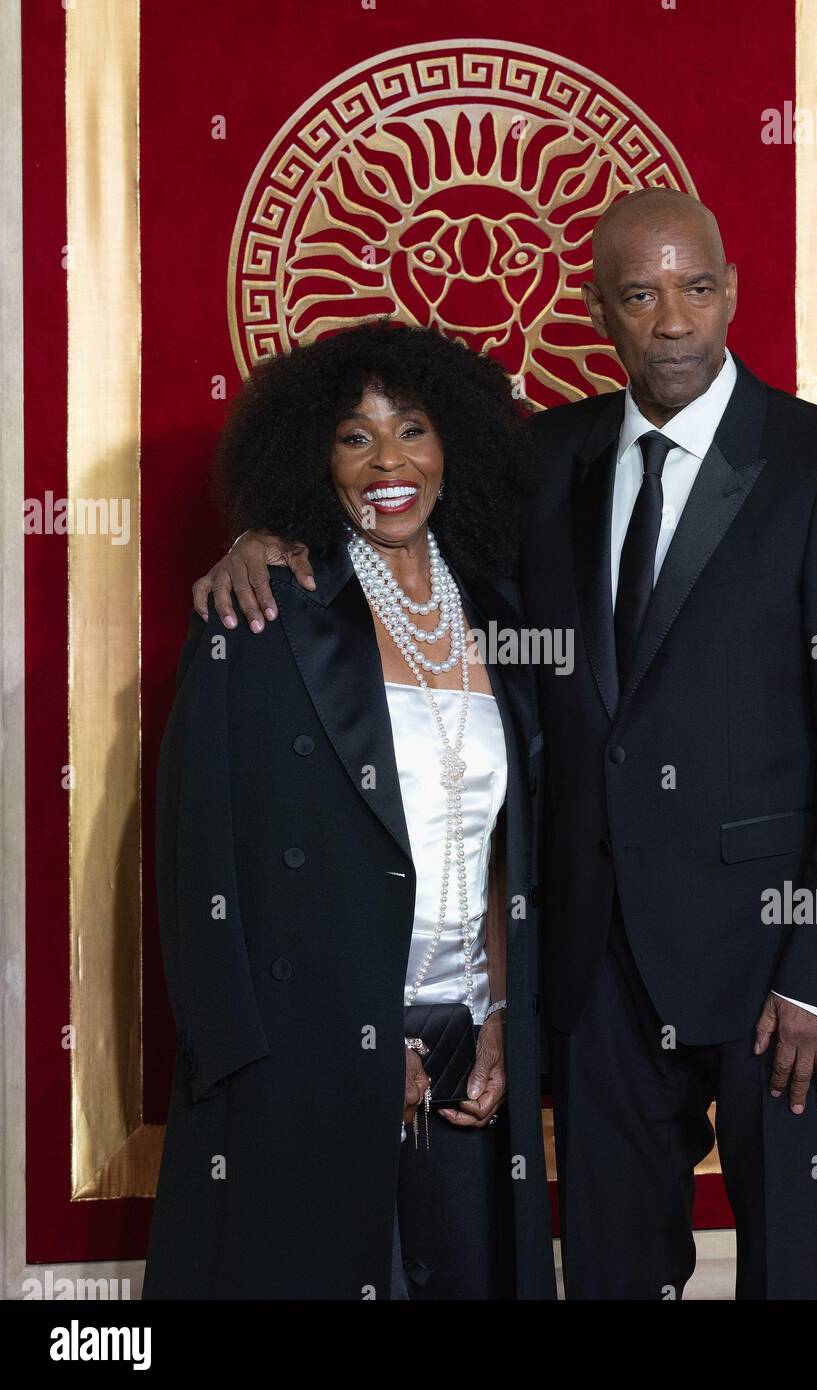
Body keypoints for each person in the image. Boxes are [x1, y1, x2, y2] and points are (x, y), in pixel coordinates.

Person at [192, 190, 817, 1300]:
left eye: (696, 287)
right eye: (640, 294)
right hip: (591, 967)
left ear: (731, 293)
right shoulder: (543, 461)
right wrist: (261, 531)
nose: (673, 319)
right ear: (599, 313)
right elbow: (400, 523)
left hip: (773, 964)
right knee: (613, 1273)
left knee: (801, 1274)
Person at [144, 322, 555, 1300]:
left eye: (411, 428)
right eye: (352, 436)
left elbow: (509, 845)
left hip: (468, 1057)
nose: (387, 462)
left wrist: (497, 1018)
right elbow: (197, 863)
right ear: (310, 460)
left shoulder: (503, 616)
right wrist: (322, 1056)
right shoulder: (258, 614)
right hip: (311, 1057)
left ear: (454, 442)